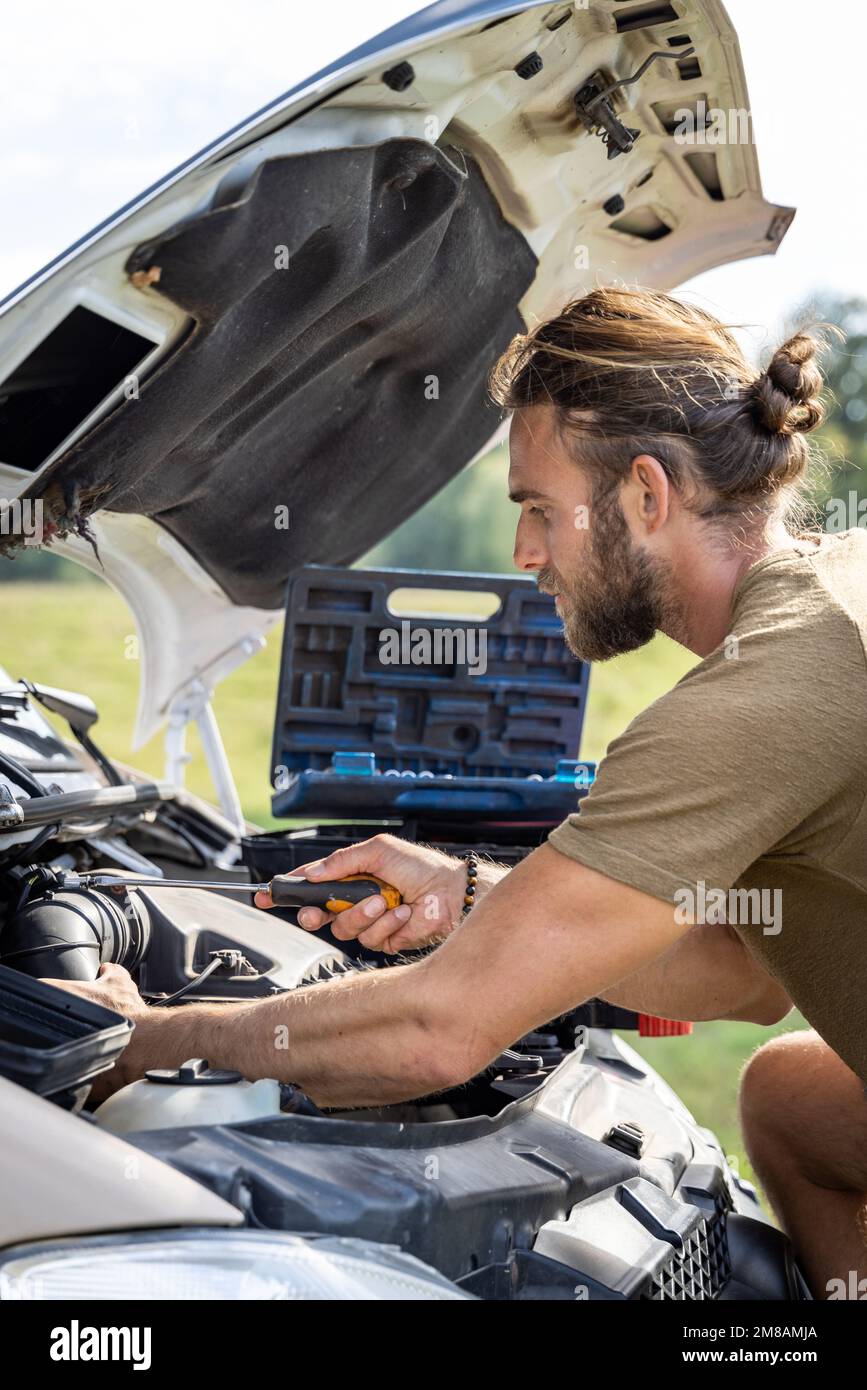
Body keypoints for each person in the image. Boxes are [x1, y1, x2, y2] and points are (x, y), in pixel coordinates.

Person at [52, 288, 867, 1298]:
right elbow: (746, 970)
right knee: (794, 1097)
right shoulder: (831, 598)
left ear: (648, 496)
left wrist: (153, 1038)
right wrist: (474, 891)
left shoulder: (758, 697)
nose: (525, 554)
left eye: (536, 507)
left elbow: (435, 1030)